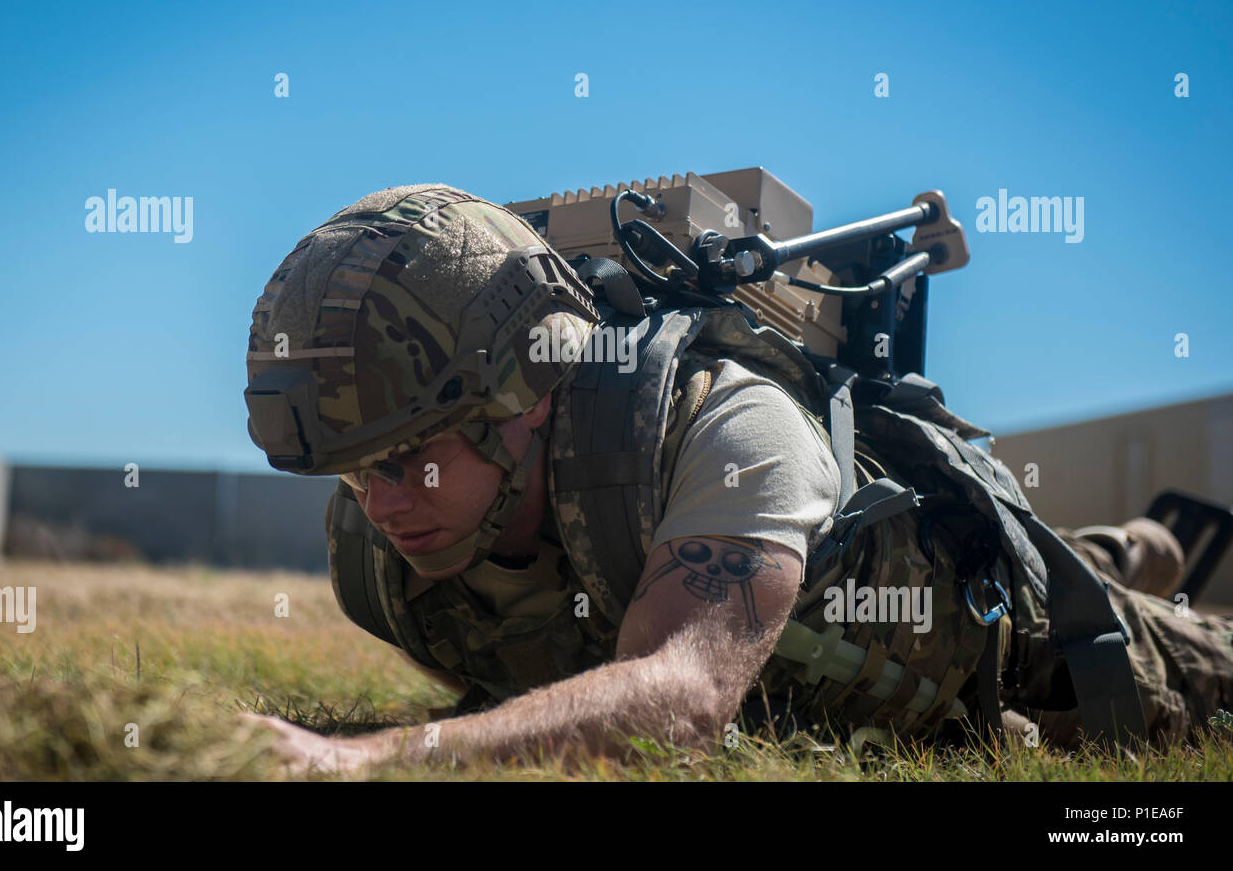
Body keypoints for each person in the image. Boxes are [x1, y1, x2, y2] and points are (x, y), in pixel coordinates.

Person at [241, 183, 1233, 774]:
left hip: (1001, 636)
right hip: (800, 600)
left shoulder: (725, 426)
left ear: (525, 393)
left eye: (412, 460)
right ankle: (1137, 542)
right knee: (1110, 557)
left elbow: (676, 700)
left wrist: (371, 757)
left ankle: (1129, 558)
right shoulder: (370, 552)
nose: (380, 503)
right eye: (355, 473)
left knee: (1195, 659)